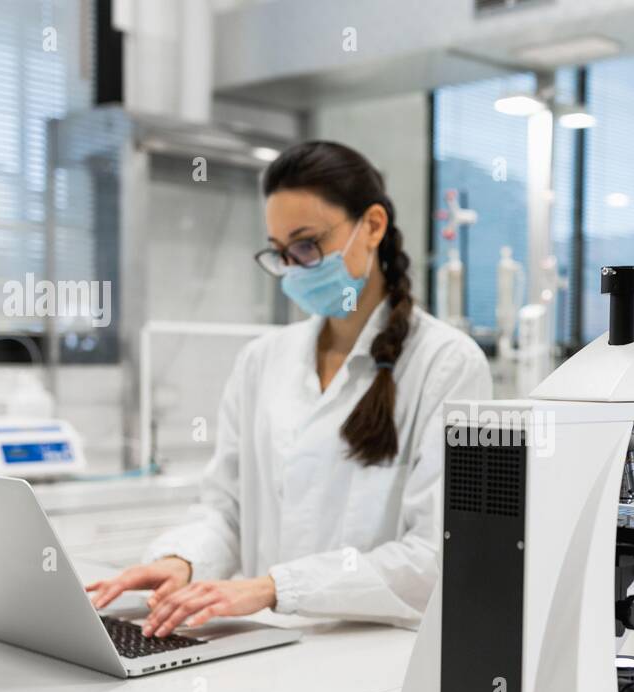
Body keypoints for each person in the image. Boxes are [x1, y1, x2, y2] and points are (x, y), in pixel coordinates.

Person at [88, 141, 492, 633]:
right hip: (265, 644)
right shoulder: (262, 362)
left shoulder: (446, 363)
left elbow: (434, 556)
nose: (294, 268)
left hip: (372, 658)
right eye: (280, 253)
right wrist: (184, 560)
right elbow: (226, 513)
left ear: (372, 226)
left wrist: (276, 587)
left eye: (306, 245)